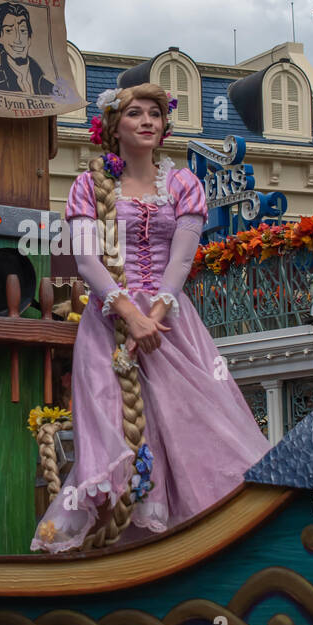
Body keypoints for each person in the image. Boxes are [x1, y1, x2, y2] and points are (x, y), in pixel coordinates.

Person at [31, 83, 273, 553]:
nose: (147, 121)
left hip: (172, 323)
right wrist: (128, 315)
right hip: (107, 328)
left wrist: (155, 315)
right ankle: (129, 551)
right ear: (113, 127)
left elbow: (182, 261)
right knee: (118, 429)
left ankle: (216, 536)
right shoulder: (88, 185)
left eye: (155, 115)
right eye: (135, 113)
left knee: (202, 422)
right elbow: (86, 262)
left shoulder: (183, 183)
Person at [0, 2, 54, 95]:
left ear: (29, 38)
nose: (18, 39)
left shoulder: (50, 88)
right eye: (9, 30)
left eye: (23, 30)